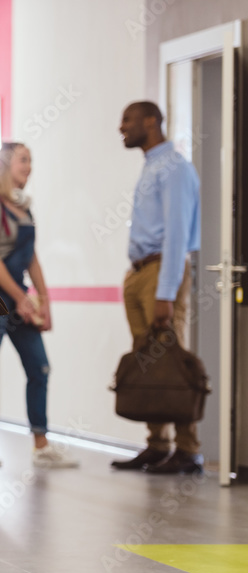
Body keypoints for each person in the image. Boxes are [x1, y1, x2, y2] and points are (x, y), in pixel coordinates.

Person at [0, 142, 78, 470]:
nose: (29, 166)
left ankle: (41, 445)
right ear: (5, 166)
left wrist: (44, 299)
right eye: (23, 160)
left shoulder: (25, 209)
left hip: (21, 303)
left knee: (39, 368)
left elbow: (32, 258)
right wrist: (21, 297)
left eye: (31, 160)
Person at [113, 101, 202, 474]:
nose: (122, 128)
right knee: (148, 358)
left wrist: (166, 291)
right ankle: (157, 443)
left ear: (152, 121)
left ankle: (188, 449)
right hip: (140, 272)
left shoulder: (174, 167)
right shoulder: (152, 164)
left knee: (170, 357)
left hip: (161, 270)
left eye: (128, 120)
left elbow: (178, 233)